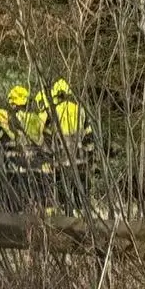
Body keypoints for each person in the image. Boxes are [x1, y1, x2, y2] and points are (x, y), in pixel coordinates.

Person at [47, 79, 95, 214]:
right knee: (82, 196)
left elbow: (47, 137)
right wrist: (90, 158)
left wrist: (50, 159)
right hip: (80, 161)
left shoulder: (53, 112)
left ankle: (68, 223)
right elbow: (89, 136)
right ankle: (84, 225)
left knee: (65, 198)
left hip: (61, 163)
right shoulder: (80, 110)